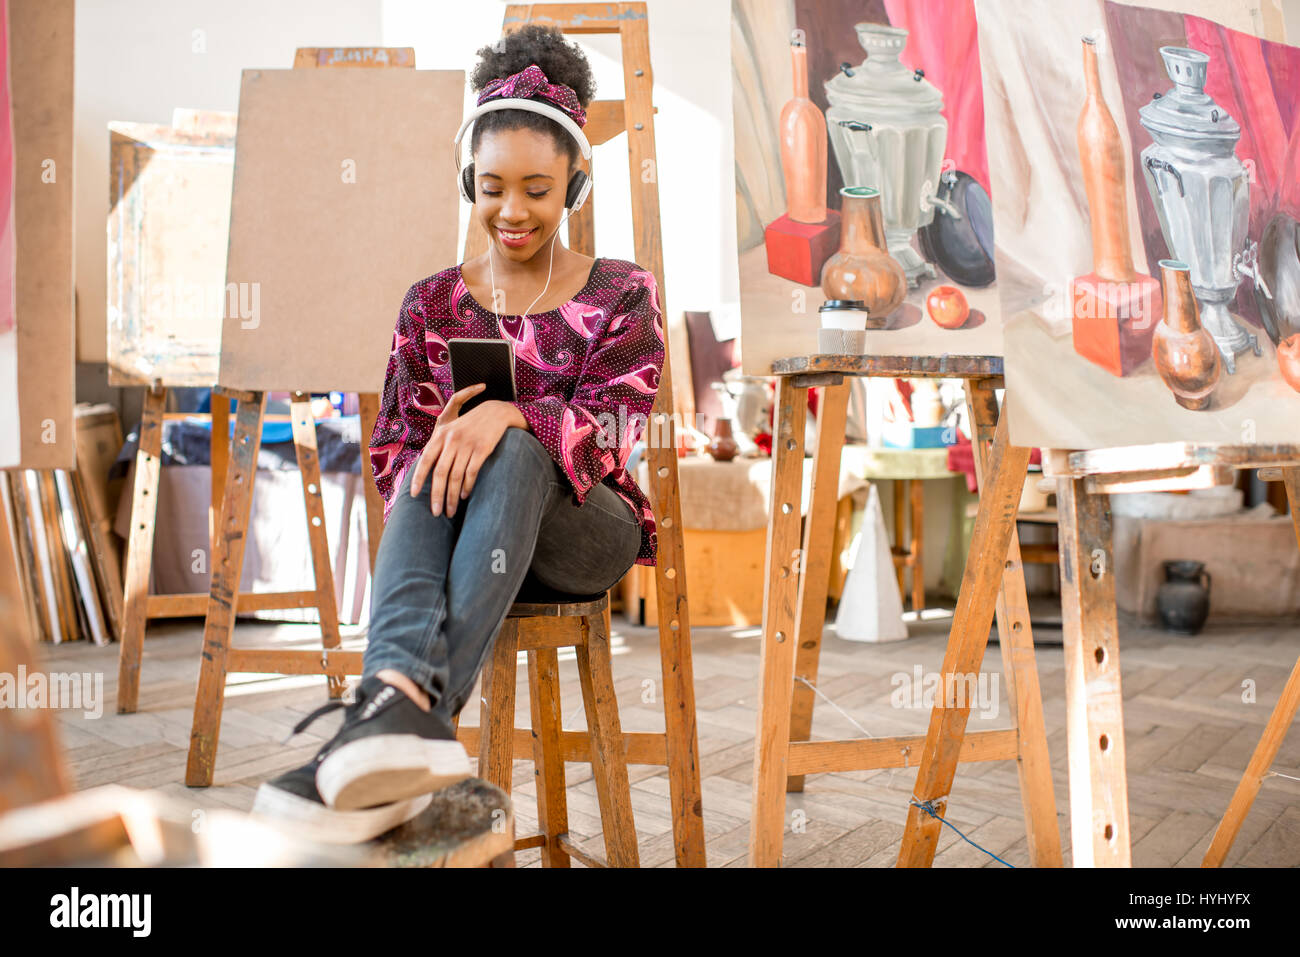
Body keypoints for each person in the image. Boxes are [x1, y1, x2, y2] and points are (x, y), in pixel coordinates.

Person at [252, 24, 664, 843]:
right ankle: (395, 704)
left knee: (509, 441)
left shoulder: (622, 290)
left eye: (538, 189)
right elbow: (390, 451)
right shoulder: (431, 301)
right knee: (424, 457)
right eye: (493, 187)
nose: (512, 211)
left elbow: (615, 428)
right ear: (465, 181)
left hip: (586, 534)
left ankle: (395, 718)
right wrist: (443, 438)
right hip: (466, 530)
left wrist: (511, 416)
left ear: (576, 186)